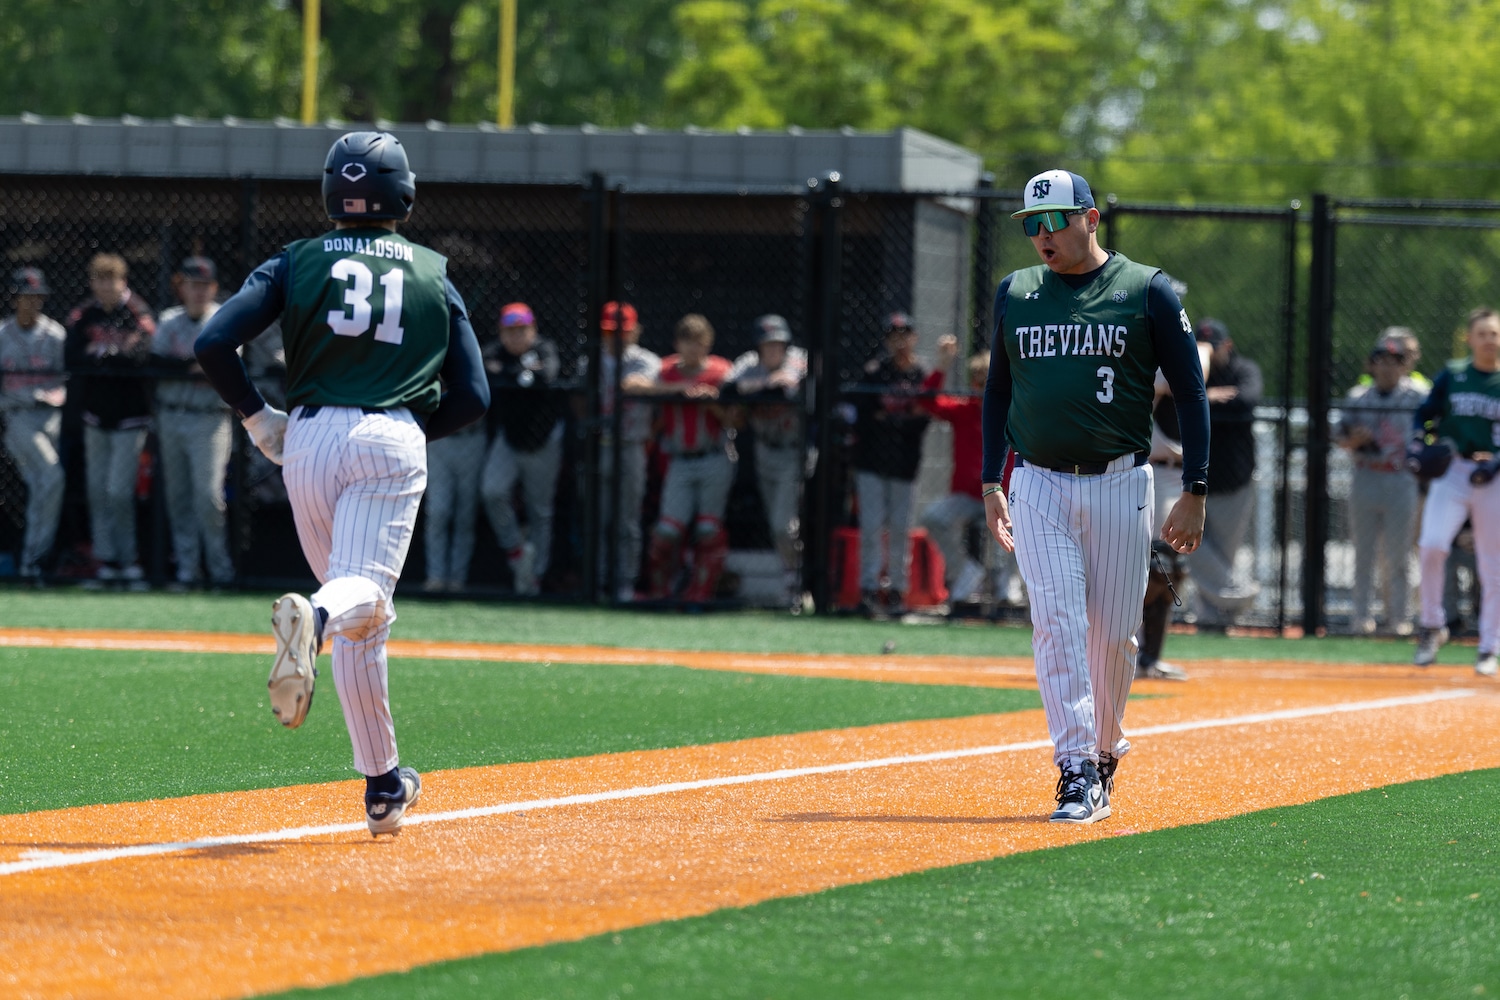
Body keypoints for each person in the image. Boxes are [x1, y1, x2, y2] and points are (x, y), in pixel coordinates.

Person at [194, 131, 489, 836]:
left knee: (363, 615)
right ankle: (315, 620)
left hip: (309, 438)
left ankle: (383, 788)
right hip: (391, 434)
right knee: (360, 601)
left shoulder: (295, 260)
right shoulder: (433, 272)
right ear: (404, 195)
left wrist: (257, 417)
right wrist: (412, 433)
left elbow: (212, 342)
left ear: (331, 192)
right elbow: (474, 395)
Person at [981, 168, 1209, 824]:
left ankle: (1105, 753)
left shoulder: (1146, 290)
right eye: (1031, 224)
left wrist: (1195, 487)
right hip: (1038, 482)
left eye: (1054, 220)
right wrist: (992, 481)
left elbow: (1190, 392)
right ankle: (1076, 766)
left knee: (1113, 637)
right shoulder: (1016, 292)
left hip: (1120, 482)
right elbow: (998, 390)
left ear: (1091, 219)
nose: (1042, 235)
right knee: (1057, 622)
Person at [1408, 307, 1500, 676]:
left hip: (1494, 475)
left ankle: (1489, 646)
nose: (1490, 340)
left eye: (1494, 333)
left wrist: (1496, 461)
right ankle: (1432, 625)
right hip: (1455, 470)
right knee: (1431, 546)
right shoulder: (1454, 374)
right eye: (1483, 333)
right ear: (1469, 338)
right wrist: (1418, 440)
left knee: (1492, 564)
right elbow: (1424, 413)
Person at [65, 252, 156, 590]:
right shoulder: (84, 314)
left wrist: (103, 354)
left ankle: (128, 560)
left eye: (111, 281)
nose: (106, 287)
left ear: (123, 282)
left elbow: (141, 354)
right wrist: (112, 354)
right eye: (100, 280)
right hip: (94, 415)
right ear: (92, 283)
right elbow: (72, 355)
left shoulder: (138, 311)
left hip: (131, 416)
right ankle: (105, 561)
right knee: (96, 490)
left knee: (118, 491)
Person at [1137, 278, 1212, 681]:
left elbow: (1196, 372)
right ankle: (1127, 651)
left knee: (1168, 561)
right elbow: (1180, 376)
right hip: (1134, 469)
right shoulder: (1135, 345)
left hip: (1170, 472)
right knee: (1144, 563)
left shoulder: (1179, 347)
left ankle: (1149, 657)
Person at [150, 256, 236, 591]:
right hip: (171, 415)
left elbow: (227, 369)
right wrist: (193, 366)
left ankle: (220, 571)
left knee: (208, 496)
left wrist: (183, 366)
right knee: (178, 497)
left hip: (209, 418)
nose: (198, 291)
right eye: (192, 285)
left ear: (213, 288)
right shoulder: (168, 320)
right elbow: (154, 363)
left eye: (204, 285)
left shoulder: (225, 318)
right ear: (181, 287)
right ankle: (188, 570)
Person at [917, 335, 1021, 611]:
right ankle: (965, 570)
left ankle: (1008, 585)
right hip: (968, 496)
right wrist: (942, 365)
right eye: (978, 380)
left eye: (988, 379)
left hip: (1004, 497)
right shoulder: (964, 409)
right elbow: (927, 401)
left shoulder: (1014, 411)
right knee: (932, 517)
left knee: (1022, 523)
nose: (982, 386)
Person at [641, 313, 735, 603]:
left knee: (708, 530)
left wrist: (711, 402)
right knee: (666, 532)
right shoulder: (665, 370)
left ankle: (700, 595)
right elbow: (633, 385)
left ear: (709, 344)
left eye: (699, 343)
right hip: (679, 460)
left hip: (714, 457)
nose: (694, 349)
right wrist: (678, 390)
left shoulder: (722, 371)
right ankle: (661, 593)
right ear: (677, 344)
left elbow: (736, 420)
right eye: (688, 342)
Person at [1337, 333, 1426, 635]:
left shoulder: (1418, 396)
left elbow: (1434, 428)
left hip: (1402, 478)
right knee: (1363, 553)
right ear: (1372, 365)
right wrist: (1354, 440)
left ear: (1404, 365)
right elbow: (1338, 435)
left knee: (1399, 555)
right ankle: (1361, 617)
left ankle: (1399, 619)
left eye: (1395, 361)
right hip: (1366, 474)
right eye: (1382, 361)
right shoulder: (1358, 396)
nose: (1388, 367)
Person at [479, 302, 564, 596]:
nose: (516, 336)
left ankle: (534, 579)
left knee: (540, 510)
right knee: (492, 491)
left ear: (533, 329)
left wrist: (508, 373)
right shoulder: (493, 352)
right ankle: (516, 551)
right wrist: (523, 372)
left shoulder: (545, 348)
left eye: (522, 330)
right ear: (501, 332)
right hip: (509, 438)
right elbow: (487, 373)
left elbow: (547, 374)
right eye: (510, 331)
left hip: (543, 440)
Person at [852, 311, 932, 617]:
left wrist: (889, 420)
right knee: (871, 527)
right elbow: (865, 419)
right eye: (893, 336)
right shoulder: (874, 372)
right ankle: (869, 589)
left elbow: (922, 420)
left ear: (914, 338)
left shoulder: (921, 374)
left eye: (904, 335)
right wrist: (902, 420)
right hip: (871, 462)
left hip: (905, 464)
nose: (899, 342)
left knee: (900, 529)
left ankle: (897, 590)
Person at [727, 313, 808, 609]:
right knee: (778, 523)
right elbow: (728, 389)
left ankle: (794, 582)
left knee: (783, 526)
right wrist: (763, 384)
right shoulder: (748, 362)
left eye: (778, 344)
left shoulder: (798, 358)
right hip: (764, 449)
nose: (773, 350)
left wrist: (754, 387)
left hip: (794, 449)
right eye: (767, 345)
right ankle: (793, 579)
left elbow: (786, 386)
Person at [1187, 317, 1262, 626]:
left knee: (1223, 554)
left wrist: (1201, 401)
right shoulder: (1190, 368)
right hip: (1193, 480)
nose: (1207, 351)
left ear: (1227, 345)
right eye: (1201, 346)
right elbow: (1176, 400)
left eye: (1212, 346)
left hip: (1234, 481)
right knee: (1186, 545)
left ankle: (1214, 618)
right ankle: (1240, 595)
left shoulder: (1244, 369)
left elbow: (1247, 400)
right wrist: (1208, 397)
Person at [0, 267, 67, 581]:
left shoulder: (55, 335)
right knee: (52, 478)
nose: (32, 302)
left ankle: (33, 561)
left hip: (51, 416)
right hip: (18, 416)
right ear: (14, 299)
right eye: (26, 296)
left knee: (44, 487)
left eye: (37, 296)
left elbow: (67, 379)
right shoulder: (2, 334)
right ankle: (33, 558)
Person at [593, 300, 661, 601]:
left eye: (623, 332)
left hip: (632, 445)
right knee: (598, 518)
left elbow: (647, 388)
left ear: (635, 332)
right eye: (611, 332)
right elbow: (578, 404)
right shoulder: (591, 360)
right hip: (599, 446)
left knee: (628, 521)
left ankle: (625, 584)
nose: (617, 338)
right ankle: (596, 582)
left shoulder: (646, 360)